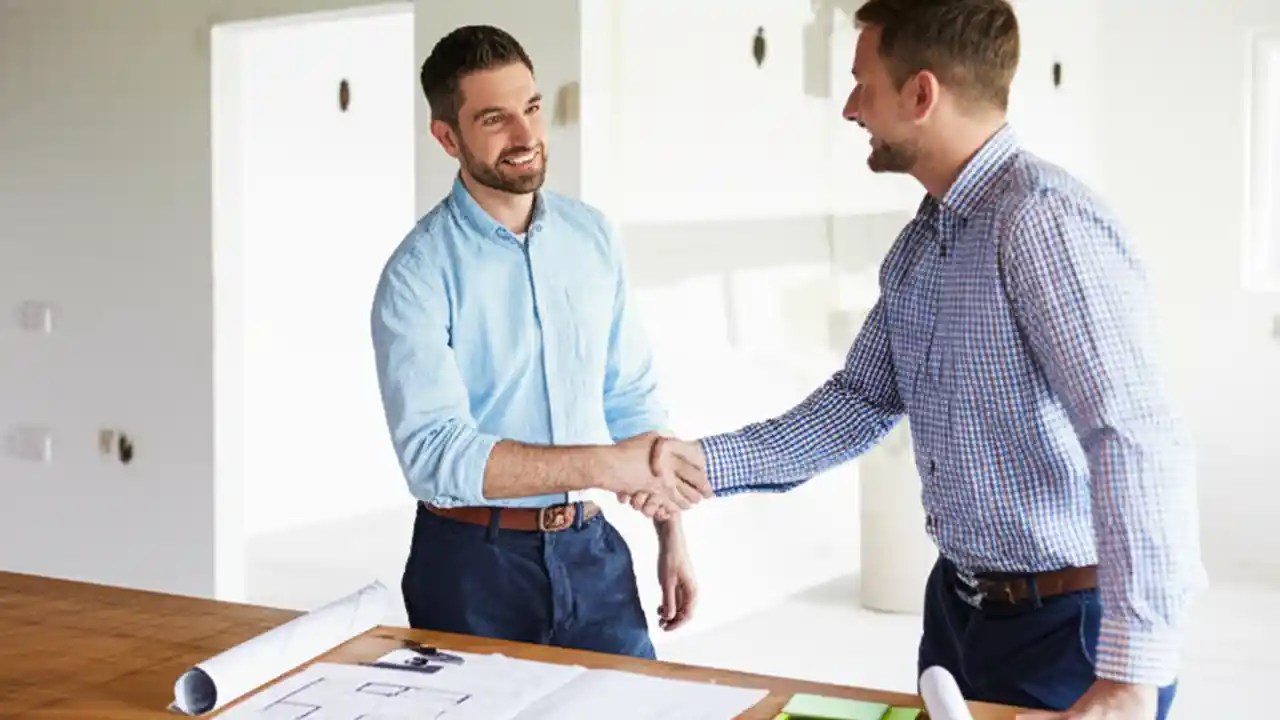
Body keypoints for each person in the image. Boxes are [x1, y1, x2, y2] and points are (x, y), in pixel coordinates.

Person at [629, 0, 1205, 717]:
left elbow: (1135, 435)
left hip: (1069, 631)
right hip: (961, 615)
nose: (848, 108)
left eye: (862, 83)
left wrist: (1129, 677)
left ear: (921, 93)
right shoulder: (924, 242)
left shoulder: (1042, 221)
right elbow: (860, 401)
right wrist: (701, 466)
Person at [370, 25, 711, 660]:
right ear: (448, 138)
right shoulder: (416, 274)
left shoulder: (592, 237)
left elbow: (630, 397)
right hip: (471, 567)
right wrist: (603, 466)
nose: (526, 137)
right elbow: (435, 456)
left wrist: (671, 532)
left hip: (593, 553)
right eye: (495, 118)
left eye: (531, 107)